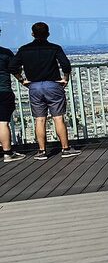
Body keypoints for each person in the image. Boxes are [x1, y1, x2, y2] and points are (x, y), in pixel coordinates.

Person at [10, 22, 81, 160]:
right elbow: (66, 64)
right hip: (52, 85)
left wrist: (22, 80)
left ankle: (42, 151)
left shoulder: (24, 49)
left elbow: (12, 66)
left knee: (39, 119)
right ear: (48, 34)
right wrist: (65, 78)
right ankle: (65, 149)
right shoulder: (54, 48)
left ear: (32, 34)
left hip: (34, 86)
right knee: (58, 117)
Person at [0, 29, 26, 163]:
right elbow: (15, 68)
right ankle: (7, 153)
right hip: (4, 90)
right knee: (3, 122)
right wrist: (21, 80)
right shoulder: (5, 53)